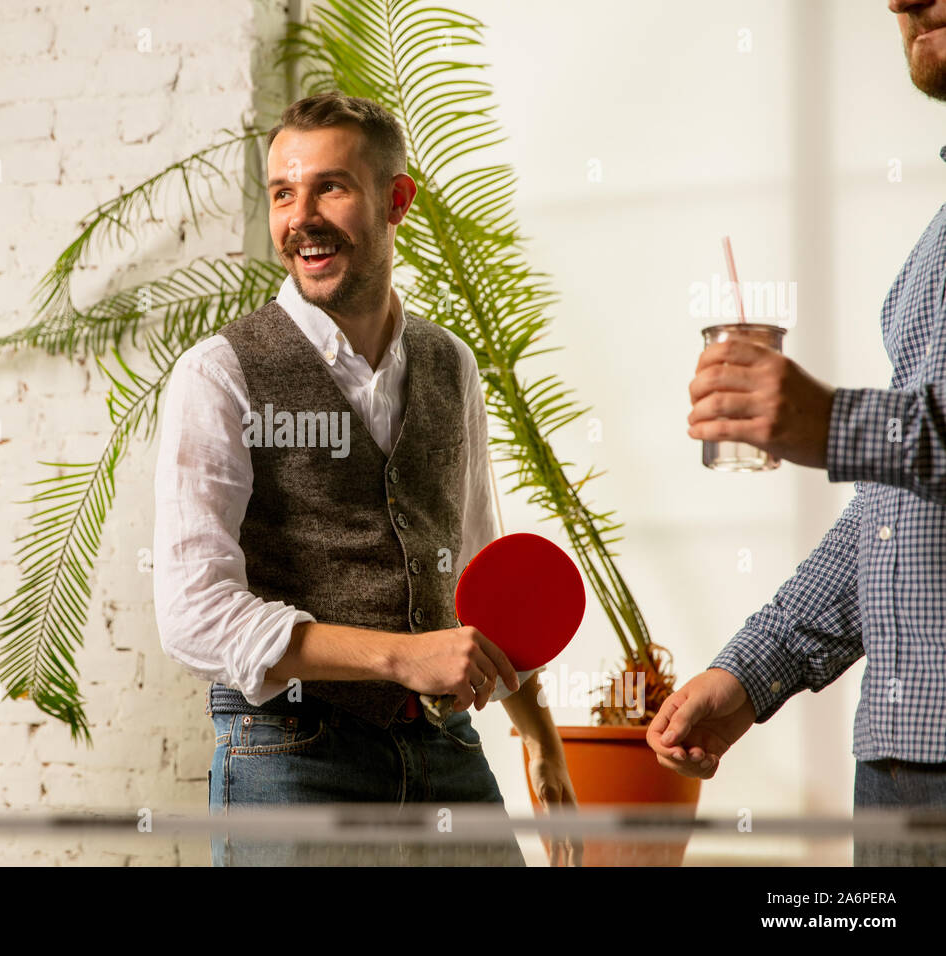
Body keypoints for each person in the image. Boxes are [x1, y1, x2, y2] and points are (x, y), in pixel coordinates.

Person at [154, 92, 579, 866]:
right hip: (292, 753)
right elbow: (192, 611)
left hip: (445, 747)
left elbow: (481, 566)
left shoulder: (450, 363)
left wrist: (541, 738)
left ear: (397, 201)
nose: (301, 217)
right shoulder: (218, 373)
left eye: (331, 188)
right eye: (284, 192)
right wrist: (398, 656)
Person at [650, 0, 946, 866]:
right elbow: (893, 516)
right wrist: (750, 673)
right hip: (900, 764)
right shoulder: (933, 244)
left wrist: (836, 422)